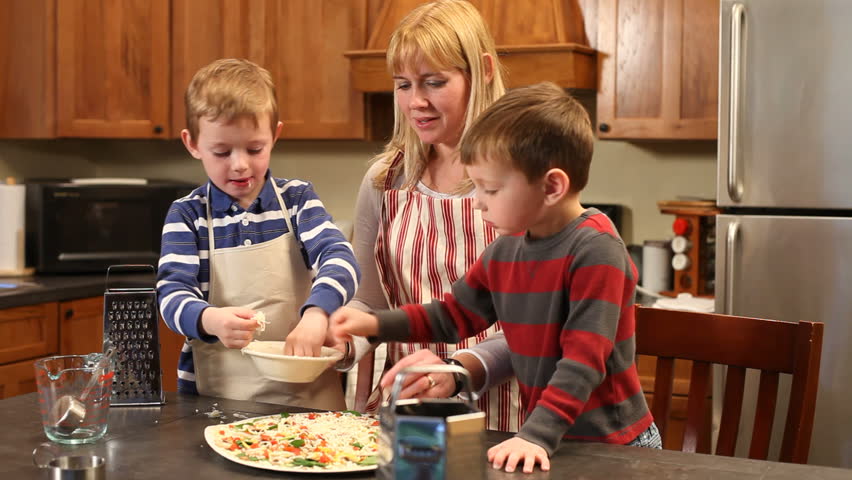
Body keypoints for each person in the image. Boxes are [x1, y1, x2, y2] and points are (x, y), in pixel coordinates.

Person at [331, 82, 660, 474]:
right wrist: (374, 324)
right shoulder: (506, 250)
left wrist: (534, 435)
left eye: (490, 189)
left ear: (552, 187)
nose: (479, 203)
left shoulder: (596, 250)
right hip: (556, 440)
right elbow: (451, 317)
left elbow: (582, 363)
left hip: (615, 447)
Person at [343, 0, 523, 431]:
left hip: (509, 422)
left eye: (434, 82)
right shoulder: (385, 180)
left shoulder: (523, 179)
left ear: (483, 70)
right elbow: (370, 302)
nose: (415, 102)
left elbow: (536, 324)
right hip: (409, 413)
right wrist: (338, 341)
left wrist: (456, 371)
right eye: (403, 85)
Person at [157, 58, 360, 410]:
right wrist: (209, 319)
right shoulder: (187, 215)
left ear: (275, 136)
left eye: (254, 149)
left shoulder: (297, 200)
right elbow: (172, 294)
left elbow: (340, 259)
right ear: (192, 144)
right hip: (217, 403)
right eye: (222, 152)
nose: (240, 165)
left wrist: (317, 314)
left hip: (310, 402)